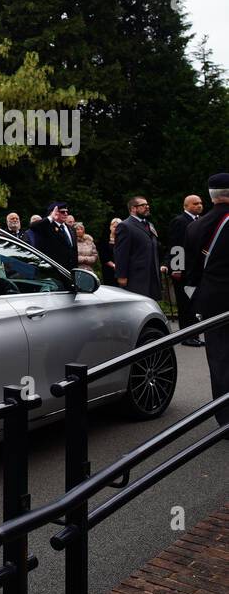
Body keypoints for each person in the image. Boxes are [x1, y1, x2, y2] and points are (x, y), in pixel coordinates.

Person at [183, 173, 229, 427]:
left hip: (212, 299)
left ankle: (224, 419)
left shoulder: (194, 226)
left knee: (220, 358)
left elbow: (192, 271)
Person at [168, 194, 206, 346]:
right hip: (183, 271)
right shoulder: (180, 221)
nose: (199, 205)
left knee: (194, 304)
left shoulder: (200, 221)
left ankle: (194, 334)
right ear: (186, 206)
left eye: (201, 203)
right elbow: (176, 246)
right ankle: (186, 336)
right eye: (195, 203)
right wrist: (176, 269)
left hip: (196, 270)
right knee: (185, 305)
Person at [113, 196, 164, 301]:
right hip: (136, 277)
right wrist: (121, 276)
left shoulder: (149, 225)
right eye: (143, 205)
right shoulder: (125, 226)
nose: (147, 207)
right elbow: (121, 253)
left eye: (147, 205)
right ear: (133, 208)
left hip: (152, 275)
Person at [25, 201, 78, 271]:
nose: (66, 214)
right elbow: (33, 226)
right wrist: (50, 218)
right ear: (53, 213)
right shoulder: (48, 227)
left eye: (66, 211)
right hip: (54, 270)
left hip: (70, 270)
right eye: (62, 212)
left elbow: (73, 250)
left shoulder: (71, 229)